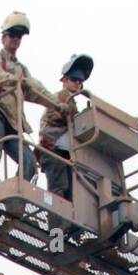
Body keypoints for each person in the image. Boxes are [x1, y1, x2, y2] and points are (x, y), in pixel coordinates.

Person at [0, 12, 62, 190]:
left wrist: (58, 104)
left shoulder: (22, 70)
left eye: (19, 36)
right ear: (3, 38)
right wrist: (14, 80)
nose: (16, 39)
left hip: (12, 122)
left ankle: (13, 198)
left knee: (29, 162)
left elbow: (37, 90)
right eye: (12, 34)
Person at [38, 53, 94, 200]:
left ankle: (63, 221)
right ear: (64, 80)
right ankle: (56, 222)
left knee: (70, 192)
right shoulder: (62, 97)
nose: (78, 84)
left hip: (64, 153)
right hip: (53, 151)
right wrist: (74, 114)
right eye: (74, 79)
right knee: (59, 190)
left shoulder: (70, 100)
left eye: (80, 82)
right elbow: (54, 117)